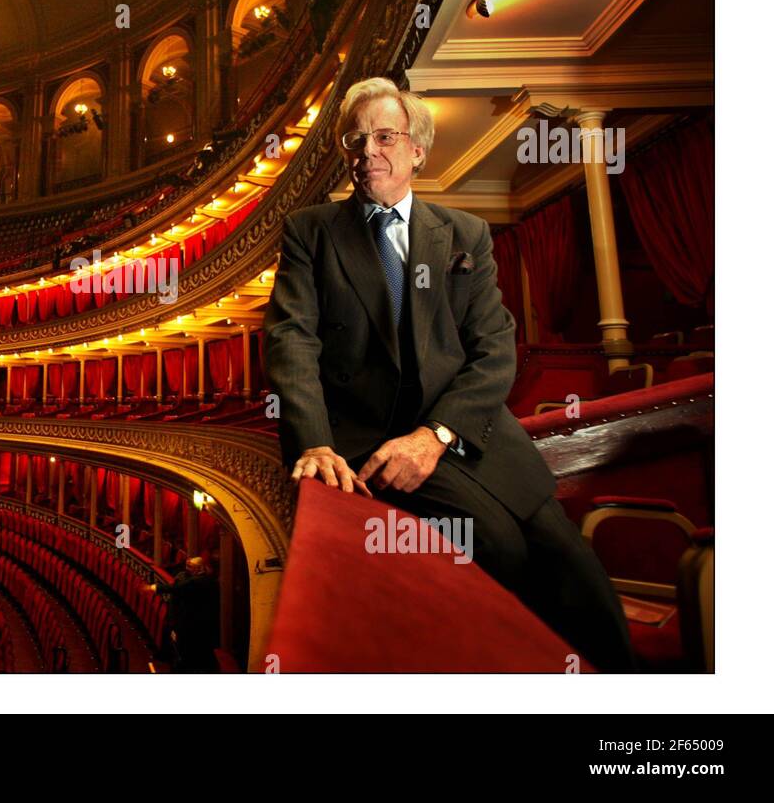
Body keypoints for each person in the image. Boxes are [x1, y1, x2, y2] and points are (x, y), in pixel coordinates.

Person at [263, 76, 635, 672]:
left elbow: (494, 347)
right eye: (355, 141)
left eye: (385, 136)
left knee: (573, 562)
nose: (367, 153)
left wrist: (437, 435)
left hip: (468, 432)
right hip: (372, 437)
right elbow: (291, 339)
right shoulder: (311, 232)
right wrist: (314, 442)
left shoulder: (465, 233)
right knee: (497, 546)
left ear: (417, 150)